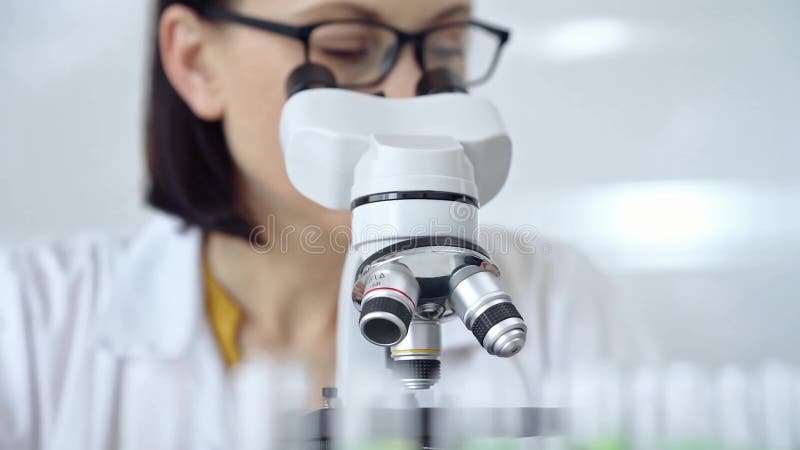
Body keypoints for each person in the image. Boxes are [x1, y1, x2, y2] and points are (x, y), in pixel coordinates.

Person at [0, 0, 643, 448]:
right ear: (195, 61)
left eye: (445, 48)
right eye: (345, 48)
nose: (411, 92)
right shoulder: (30, 321)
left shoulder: (559, 301)